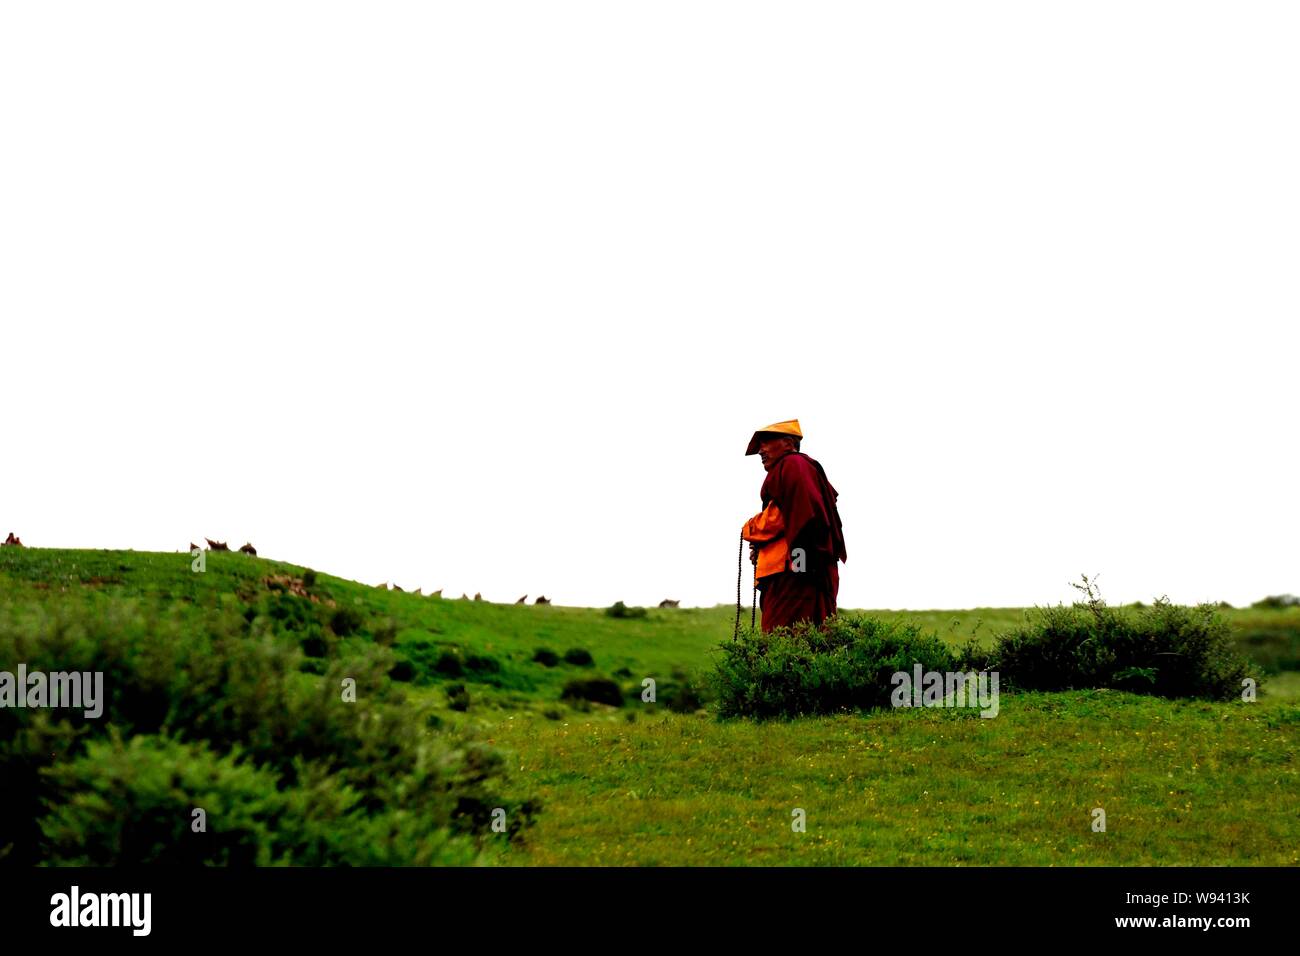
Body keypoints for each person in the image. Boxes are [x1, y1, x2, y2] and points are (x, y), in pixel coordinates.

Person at [740, 419, 847, 632]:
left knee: (786, 641)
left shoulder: (793, 465)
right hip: (796, 572)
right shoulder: (794, 470)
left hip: (793, 576)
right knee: (808, 639)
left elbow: (788, 517)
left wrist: (749, 530)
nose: (761, 450)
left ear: (789, 443)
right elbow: (794, 516)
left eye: (766, 442)